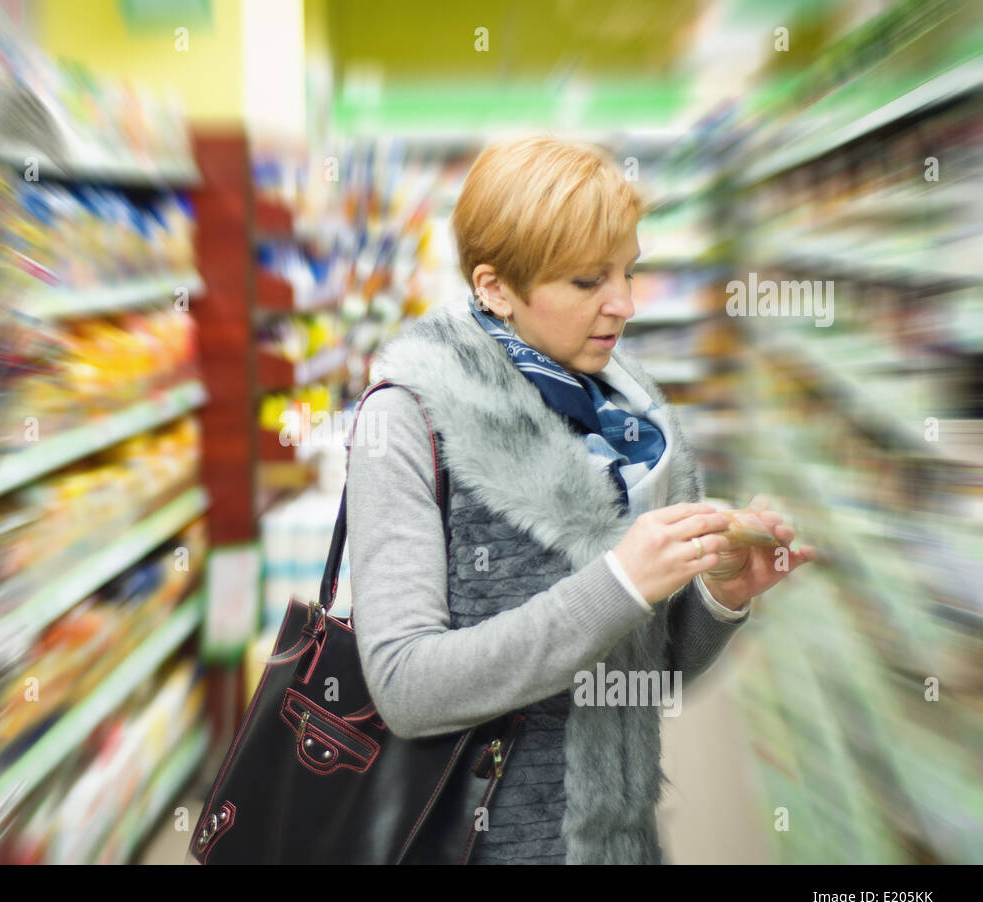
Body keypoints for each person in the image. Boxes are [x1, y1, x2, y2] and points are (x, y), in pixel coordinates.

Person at [344, 134, 817, 864]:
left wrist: (719, 594)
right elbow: (406, 686)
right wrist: (618, 582)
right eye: (587, 282)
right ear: (495, 286)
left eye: (628, 271)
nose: (624, 305)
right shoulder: (409, 418)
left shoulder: (633, 420)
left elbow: (643, 680)